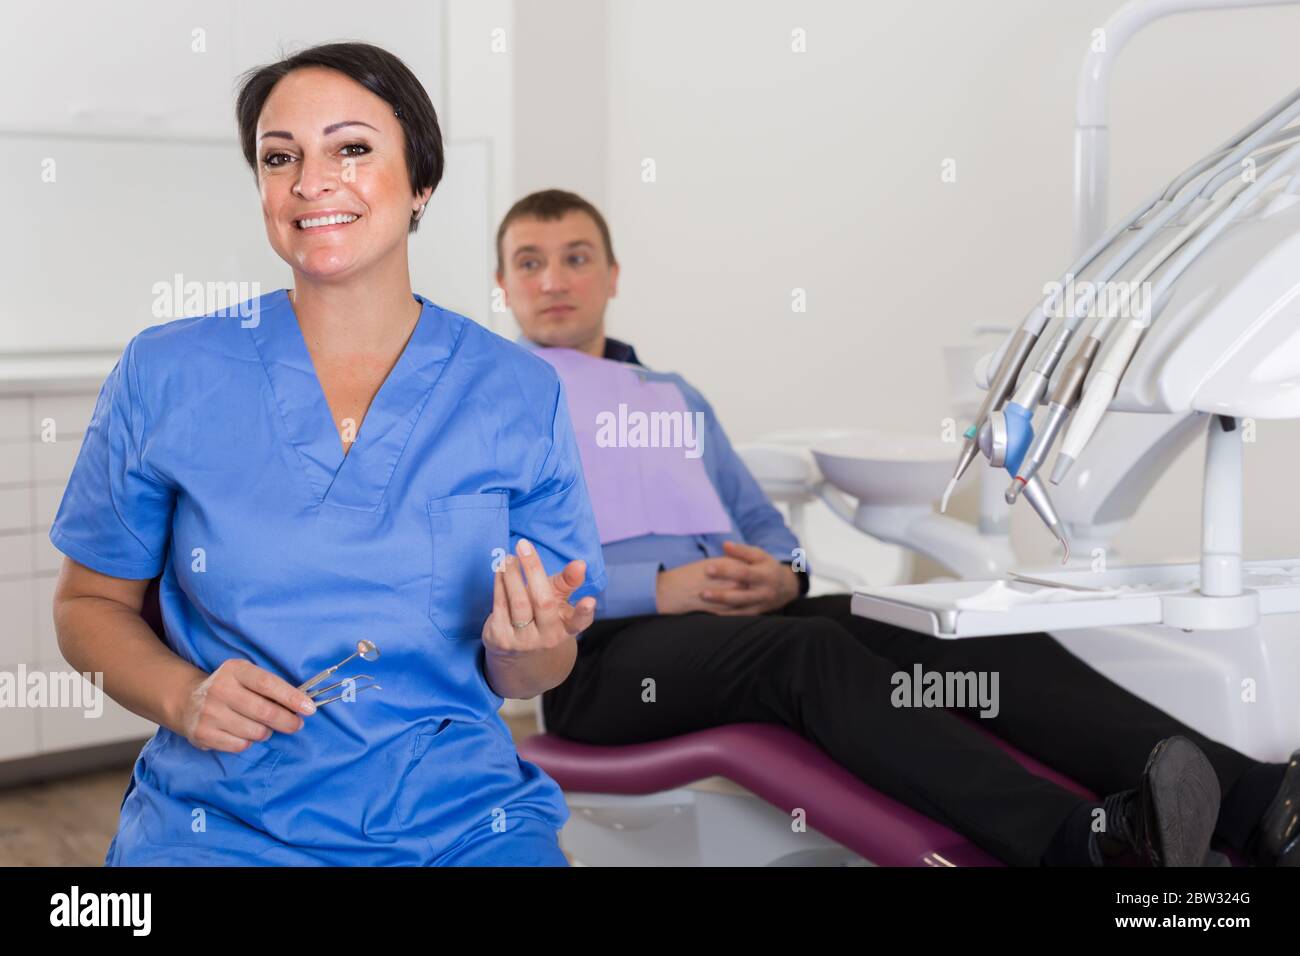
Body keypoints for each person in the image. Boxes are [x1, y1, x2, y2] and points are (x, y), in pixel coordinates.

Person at [496, 188, 1300, 867]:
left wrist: (786, 575)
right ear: (503, 284)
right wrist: (655, 588)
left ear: (611, 276)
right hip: (594, 661)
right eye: (530, 262)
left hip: (736, 621)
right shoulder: (496, 407)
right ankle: (1078, 840)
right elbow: (487, 565)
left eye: (575, 256)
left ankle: (1252, 799)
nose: (554, 278)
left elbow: (762, 525)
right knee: (809, 652)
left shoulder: (670, 395)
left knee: (936, 624)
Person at [49, 45, 606, 866]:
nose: (312, 181)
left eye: (351, 148)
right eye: (282, 158)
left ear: (421, 182)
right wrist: (183, 694)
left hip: (459, 825)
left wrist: (528, 652)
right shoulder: (168, 372)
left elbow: (540, 668)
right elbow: (86, 607)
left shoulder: (518, 391)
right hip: (223, 823)